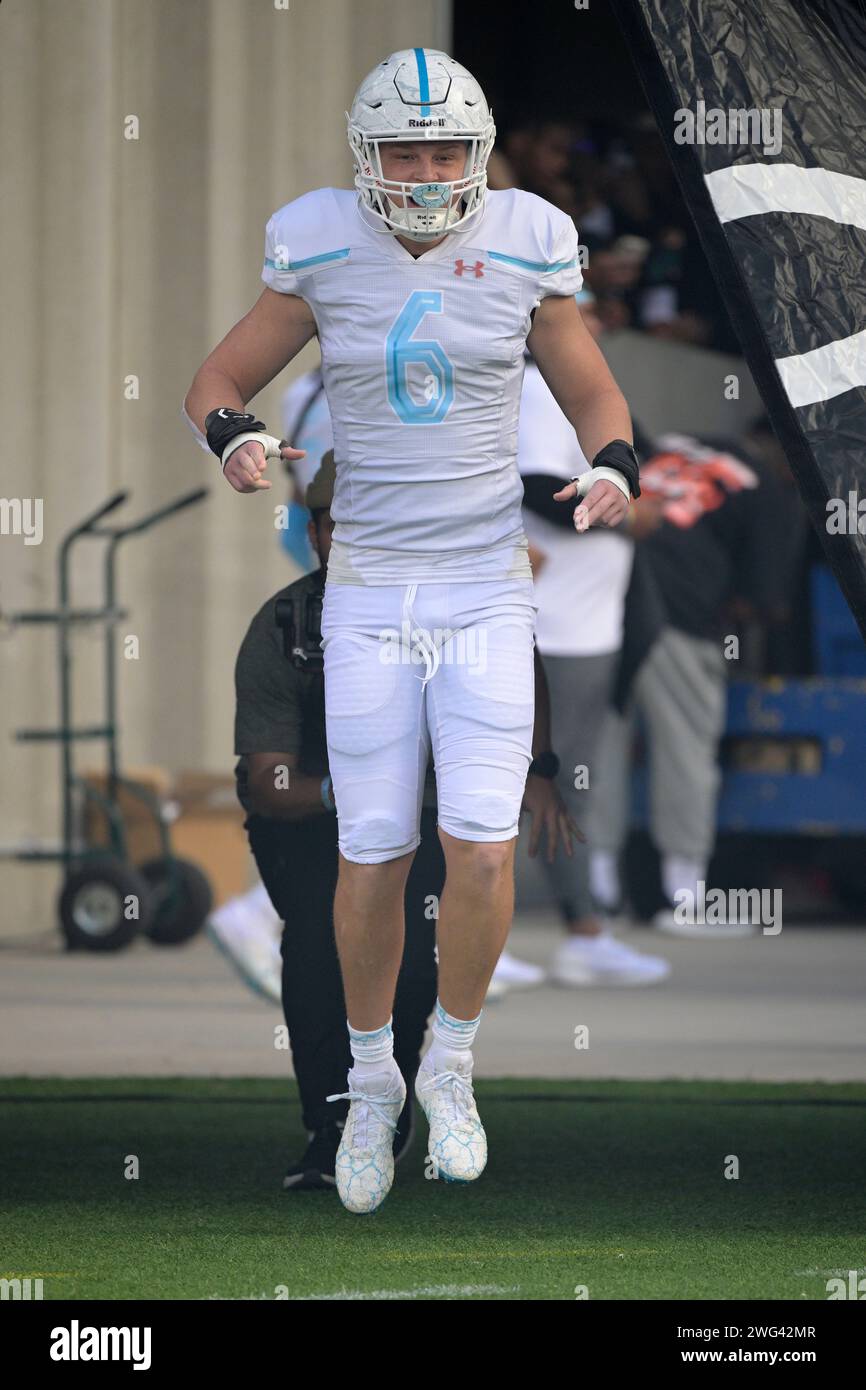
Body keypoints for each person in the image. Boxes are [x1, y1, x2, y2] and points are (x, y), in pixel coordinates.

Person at [183, 48, 639, 1214]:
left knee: (482, 847)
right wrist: (232, 435)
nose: (429, 171)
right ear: (365, 157)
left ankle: (450, 1059)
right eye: (406, 151)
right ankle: (373, 1078)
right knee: (372, 851)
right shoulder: (321, 238)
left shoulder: (528, 235)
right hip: (372, 585)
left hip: (484, 580)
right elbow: (221, 374)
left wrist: (610, 462)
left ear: (477, 155)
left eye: (446, 150)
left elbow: (589, 383)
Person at [232, 450, 578, 1191]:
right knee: (320, 952)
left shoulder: (462, 605)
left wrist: (538, 774)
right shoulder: (285, 623)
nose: (344, 537)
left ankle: (418, 1086)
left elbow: (520, 659)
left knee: (418, 956)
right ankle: (336, 1120)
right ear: (316, 532)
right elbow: (269, 781)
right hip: (308, 824)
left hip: (420, 813)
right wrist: (358, 794)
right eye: (330, 525)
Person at [518, 289, 669, 985]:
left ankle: (577, 931)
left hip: (586, 623)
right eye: (584, 307)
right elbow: (533, 484)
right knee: (551, 785)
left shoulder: (573, 390)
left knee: (563, 784)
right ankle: (578, 935)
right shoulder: (530, 386)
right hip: (557, 627)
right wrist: (625, 512)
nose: (602, 320)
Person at [587, 431, 788, 937]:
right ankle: (686, 898)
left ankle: (595, 897)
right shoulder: (767, 485)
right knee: (685, 751)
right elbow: (762, 599)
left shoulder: (665, 444)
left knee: (597, 748)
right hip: (678, 616)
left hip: (602, 597)